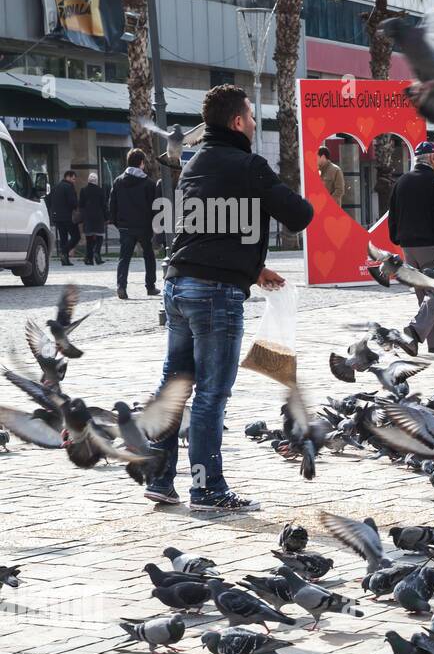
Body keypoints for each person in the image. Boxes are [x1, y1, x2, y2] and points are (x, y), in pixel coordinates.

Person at [145, 84, 313, 512]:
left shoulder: (195, 161)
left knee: (176, 385)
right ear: (238, 122)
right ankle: (207, 489)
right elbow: (299, 215)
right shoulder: (248, 164)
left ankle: (160, 480)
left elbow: (207, 229)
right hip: (214, 295)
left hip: (178, 284)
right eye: (252, 116)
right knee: (211, 394)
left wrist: (254, 270)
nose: (255, 123)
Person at [390, 141, 434, 355]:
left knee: (423, 295)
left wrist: (398, 239)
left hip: (408, 246)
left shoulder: (401, 182)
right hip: (433, 246)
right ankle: (414, 333)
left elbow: (393, 215)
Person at [108, 150, 162, 299]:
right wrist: (155, 225)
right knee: (149, 256)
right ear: (141, 163)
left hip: (125, 226)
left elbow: (112, 203)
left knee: (124, 258)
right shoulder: (148, 183)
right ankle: (150, 287)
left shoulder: (118, 181)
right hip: (144, 226)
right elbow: (154, 206)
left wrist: (116, 222)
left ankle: (121, 287)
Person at [48, 170, 79, 265]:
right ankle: (64, 251)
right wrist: (76, 206)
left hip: (56, 217)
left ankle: (64, 260)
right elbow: (72, 202)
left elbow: (48, 200)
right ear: (68, 177)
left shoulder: (55, 187)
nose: (74, 181)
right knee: (76, 236)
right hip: (67, 216)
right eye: (73, 178)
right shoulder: (69, 187)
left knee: (63, 237)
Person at [78, 171, 108, 265]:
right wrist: (107, 217)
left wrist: (83, 216)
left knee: (89, 238)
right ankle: (97, 253)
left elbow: (81, 205)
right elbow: (104, 205)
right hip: (99, 217)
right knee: (99, 237)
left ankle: (89, 259)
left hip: (88, 217)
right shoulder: (100, 190)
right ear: (97, 180)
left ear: (88, 180)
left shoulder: (83, 190)